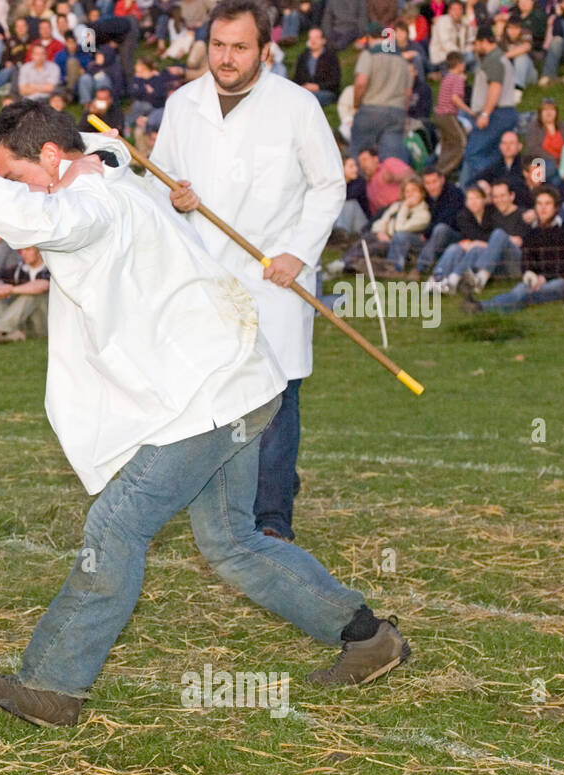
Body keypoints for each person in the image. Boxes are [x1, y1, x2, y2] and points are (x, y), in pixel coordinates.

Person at [0, 100, 409, 727]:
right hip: (239, 384)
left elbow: (37, 217)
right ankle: (368, 638)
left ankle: (53, 685)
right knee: (232, 543)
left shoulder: (94, 203)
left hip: (210, 397)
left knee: (116, 529)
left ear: (55, 159)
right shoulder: (111, 172)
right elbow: (65, 170)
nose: (12, 190)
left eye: (15, 175)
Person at [152, 0, 344, 543]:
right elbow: (160, 184)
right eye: (218, 45)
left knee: (278, 395)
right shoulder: (182, 104)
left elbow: (329, 185)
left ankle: (273, 519)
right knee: (219, 394)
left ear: (265, 49)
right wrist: (175, 196)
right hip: (206, 278)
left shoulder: (296, 105)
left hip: (274, 274)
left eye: (239, 47)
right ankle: (238, 493)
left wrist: (298, 254)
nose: (226, 57)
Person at [462, 185, 564, 311]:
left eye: (547, 204)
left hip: (560, 281)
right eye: (539, 204)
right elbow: (526, 256)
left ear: (556, 207)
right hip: (535, 277)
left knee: (525, 294)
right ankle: (481, 305)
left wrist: (544, 278)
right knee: (521, 290)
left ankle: (482, 306)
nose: (543, 208)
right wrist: (529, 272)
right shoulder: (532, 231)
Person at [459, 25, 521, 188]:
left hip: (495, 114)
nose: (474, 47)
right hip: (503, 112)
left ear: (484, 41)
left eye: (476, 43)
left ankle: (493, 184)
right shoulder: (499, 58)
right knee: (493, 155)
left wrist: (485, 113)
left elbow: (495, 86)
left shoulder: (492, 59)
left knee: (473, 153)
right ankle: (489, 189)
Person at [350, 24, 413, 164]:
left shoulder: (369, 55)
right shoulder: (402, 60)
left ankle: (357, 183)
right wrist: (403, 111)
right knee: (393, 161)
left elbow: (361, 82)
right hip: (397, 112)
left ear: (369, 38)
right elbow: (408, 93)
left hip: (371, 111)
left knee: (360, 157)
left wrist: (356, 104)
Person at [0, 244, 51, 342]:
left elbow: (42, 285)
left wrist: (10, 290)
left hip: (44, 324)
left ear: (39, 252)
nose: (23, 253)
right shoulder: (20, 268)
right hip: (23, 323)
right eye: (22, 250)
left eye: (27, 250)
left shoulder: (49, 268)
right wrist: (1, 288)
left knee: (32, 294)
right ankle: (13, 333)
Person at [404, 165, 465, 278]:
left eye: (434, 182)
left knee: (440, 229)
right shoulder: (425, 195)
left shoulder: (454, 194)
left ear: (442, 180)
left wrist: (427, 232)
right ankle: (393, 268)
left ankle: (419, 268)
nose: (431, 186)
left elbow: (448, 220)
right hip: (428, 235)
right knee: (402, 235)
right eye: (427, 183)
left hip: (452, 236)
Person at [434, 51, 470, 176]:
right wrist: (469, 111)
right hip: (447, 115)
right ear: (460, 65)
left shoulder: (447, 77)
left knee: (447, 145)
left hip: (438, 115)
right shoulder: (457, 79)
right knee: (461, 142)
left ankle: (438, 168)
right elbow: (455, 98)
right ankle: (442, 173)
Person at [292, 26, 341, 105]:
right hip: (305, 90)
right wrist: (302, 87)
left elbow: (335, 81)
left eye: (316, 38)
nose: (313, 41)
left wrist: (318, 87)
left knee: (309, 99)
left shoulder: (331, 57)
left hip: (325, 91)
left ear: (323, 40)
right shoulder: (303, 56)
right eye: (310, 38)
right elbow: (297, 78)